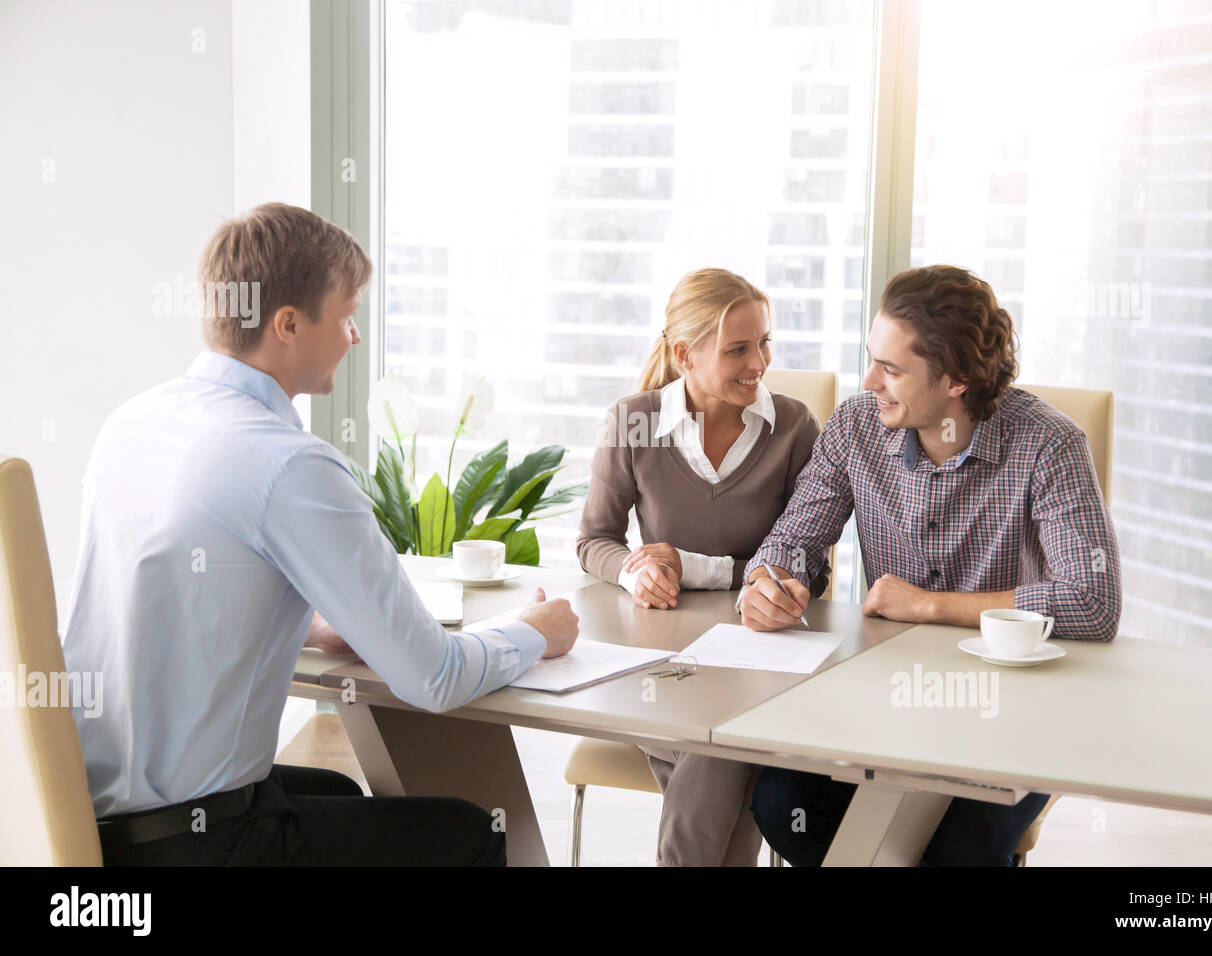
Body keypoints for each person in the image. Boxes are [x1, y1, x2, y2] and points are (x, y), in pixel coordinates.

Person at [63, 203, 578, 866]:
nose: (354, 335)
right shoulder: (288, 462)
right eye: (346, 312)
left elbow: (164, 587)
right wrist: (538, 631)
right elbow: (434, 677)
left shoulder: (133, 423)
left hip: (95, 823)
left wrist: (309, 627)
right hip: (203, 846)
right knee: (470, 834)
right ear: (287, 324)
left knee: (335, 790)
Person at [738, 264, 1122, 866]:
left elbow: (1091, 602)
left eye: (891, 369)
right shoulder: (855, 428)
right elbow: (791, 541)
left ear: (958, 379)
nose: (869, 382)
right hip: (880, 701)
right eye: (872, 360)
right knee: (781, 801)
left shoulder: (1050, 444)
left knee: (956, 849)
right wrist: (767, 582)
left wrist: (931, 606)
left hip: (1013, 713)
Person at [576, 267, 830, 866]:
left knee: (722, 741)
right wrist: (635, 571)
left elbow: (807, 570)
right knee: (729, 750)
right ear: (685, 354)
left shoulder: (793, 428)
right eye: (739, 348)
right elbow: (595, 541)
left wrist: (693, 567)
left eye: (764, 342)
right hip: (650, 663)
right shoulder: (632, 422)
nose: (759, 362)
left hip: (757, 660)